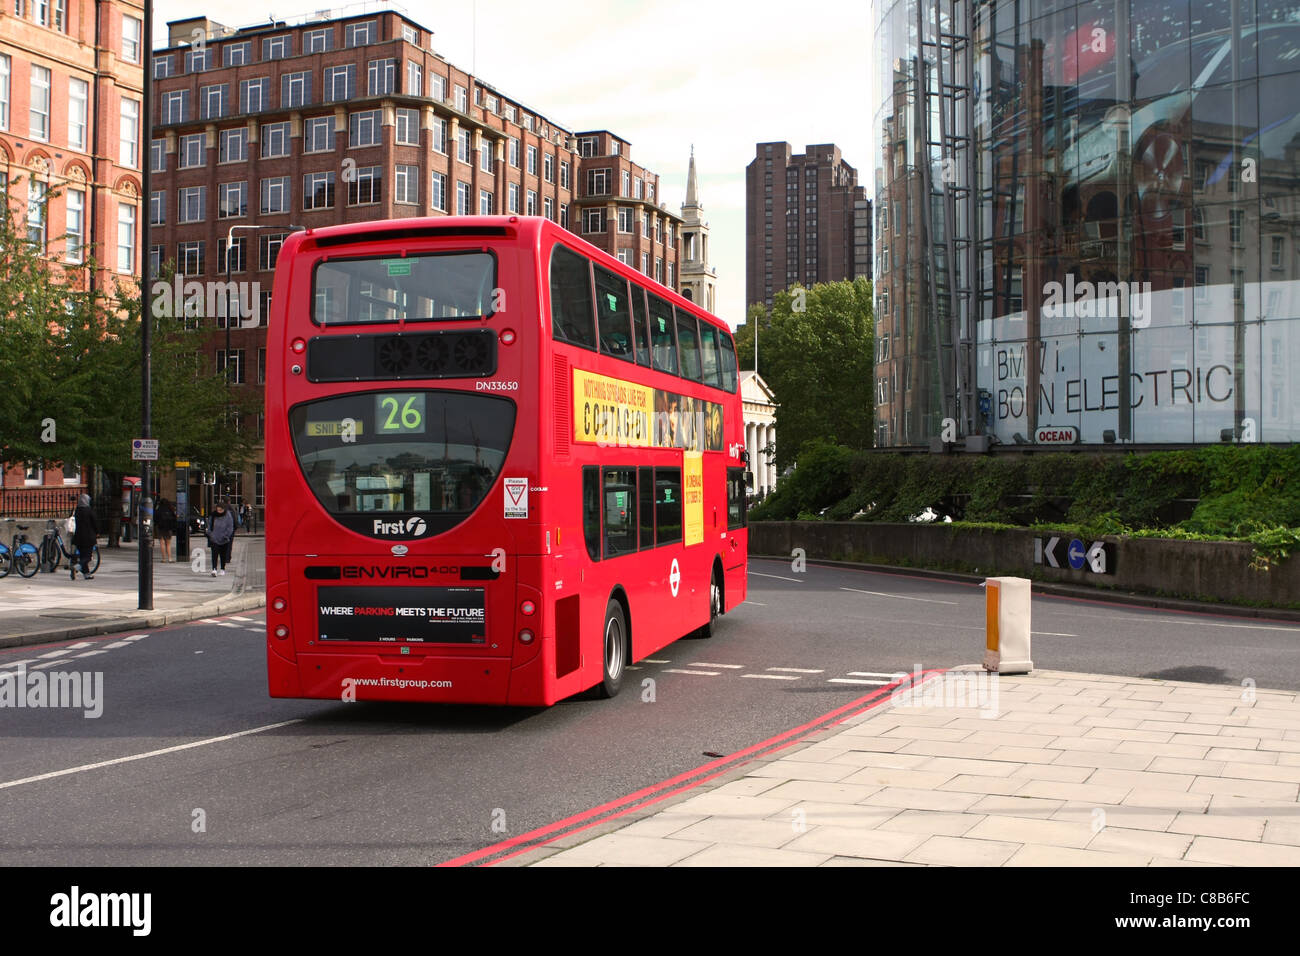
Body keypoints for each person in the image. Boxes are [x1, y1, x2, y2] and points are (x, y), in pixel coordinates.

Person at [70, 493, 98, 581]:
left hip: (78, 537)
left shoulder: (77, 511)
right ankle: (76, 567)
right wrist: (97, 532)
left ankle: (86, 574)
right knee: (87, 557)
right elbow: (95, 523)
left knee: (82, 556)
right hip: (88, 537)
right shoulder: (89, 511)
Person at [206, 500, 235, 576]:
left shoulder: (228, 515)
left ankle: (222, 569)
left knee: (223, 554)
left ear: (224, 509)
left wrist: (226, 535)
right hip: (214, 537)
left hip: (224, 538)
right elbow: (209, 525)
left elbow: (230, 527)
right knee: (214, 554)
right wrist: (210, 534)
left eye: (220, 510)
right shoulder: (213, 515)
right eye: (218, 509)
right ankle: (214, 569)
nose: (219, 511)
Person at [154, 496, 177, 563]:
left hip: (160, 528)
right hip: (168, 528)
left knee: (162, 543)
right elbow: (174, 518)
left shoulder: (158, 510)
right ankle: (170, 558)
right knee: (168, 543)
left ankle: (164, 558)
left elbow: (155, 519)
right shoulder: (170, 509)